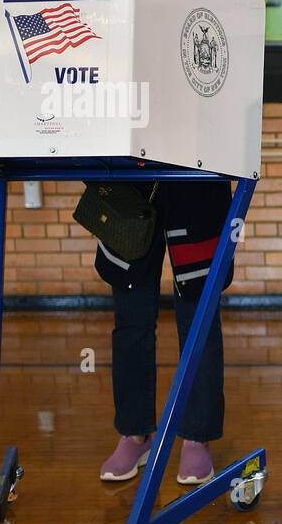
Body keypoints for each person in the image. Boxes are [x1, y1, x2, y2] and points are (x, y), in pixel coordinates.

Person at [97, 181, 232, 485]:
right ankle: (135, 433)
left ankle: (197, 437)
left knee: (200, 319)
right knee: (131, 320)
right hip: (130, 180)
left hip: (197, 179)